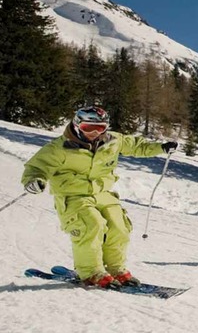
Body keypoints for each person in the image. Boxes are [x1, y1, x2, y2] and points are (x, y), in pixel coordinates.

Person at [20, 105, 177, 287]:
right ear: (78, 125)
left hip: (103, 193)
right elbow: (36, 167)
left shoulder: (113, 141)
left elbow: (136, 146)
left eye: (100, 128)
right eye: (88, 128)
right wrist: (35, 180)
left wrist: (160, 147)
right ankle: (91, 272)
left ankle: (115, 269)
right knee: (91, 225)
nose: (94, 132)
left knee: (119, 227)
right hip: (74, 195)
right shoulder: (59, 148)